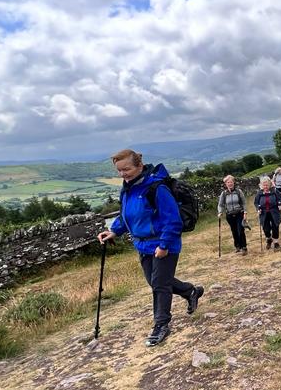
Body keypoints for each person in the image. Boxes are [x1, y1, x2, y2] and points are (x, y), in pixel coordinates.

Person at [97, 149, 203, 347]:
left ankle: (161, 324)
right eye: (119, 171)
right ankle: (190, 291)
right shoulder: (128, 188)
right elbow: (128, 215)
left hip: (164, 243)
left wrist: (164, 245)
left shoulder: (156, 188)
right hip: (143, 244)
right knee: (155, 281)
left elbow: (172, 219)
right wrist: (114, 231)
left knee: (160, 284)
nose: (123, 174)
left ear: (139, 165)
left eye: (126, 169)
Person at [218, 174, 248, 255]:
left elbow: (244, 202)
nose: (230, 184)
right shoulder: (224, 194)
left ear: (233, 182)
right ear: (226, 184)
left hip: (239, 213)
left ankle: (244, 247)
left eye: (231, 182)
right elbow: (220, 204)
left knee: (240, 230)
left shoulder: (238, 191)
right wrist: (220, 212)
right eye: (228, 182)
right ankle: (237, 246)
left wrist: (245, 212)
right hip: (230, 215)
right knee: (234, 231)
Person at [254, 176, 281, 250]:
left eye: (267, 185)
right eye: (264, 185)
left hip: (274, 211)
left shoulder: (274, 191)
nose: (265, 186)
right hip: (264, 213)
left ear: (270, 184)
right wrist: (258, 209)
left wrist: (280, 204)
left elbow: (280, 198)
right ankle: (269, 239)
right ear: (261, 185)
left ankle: (276, 243)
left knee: (275, 227)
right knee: (266, 228)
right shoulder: (259, 193)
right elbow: (256, 202)